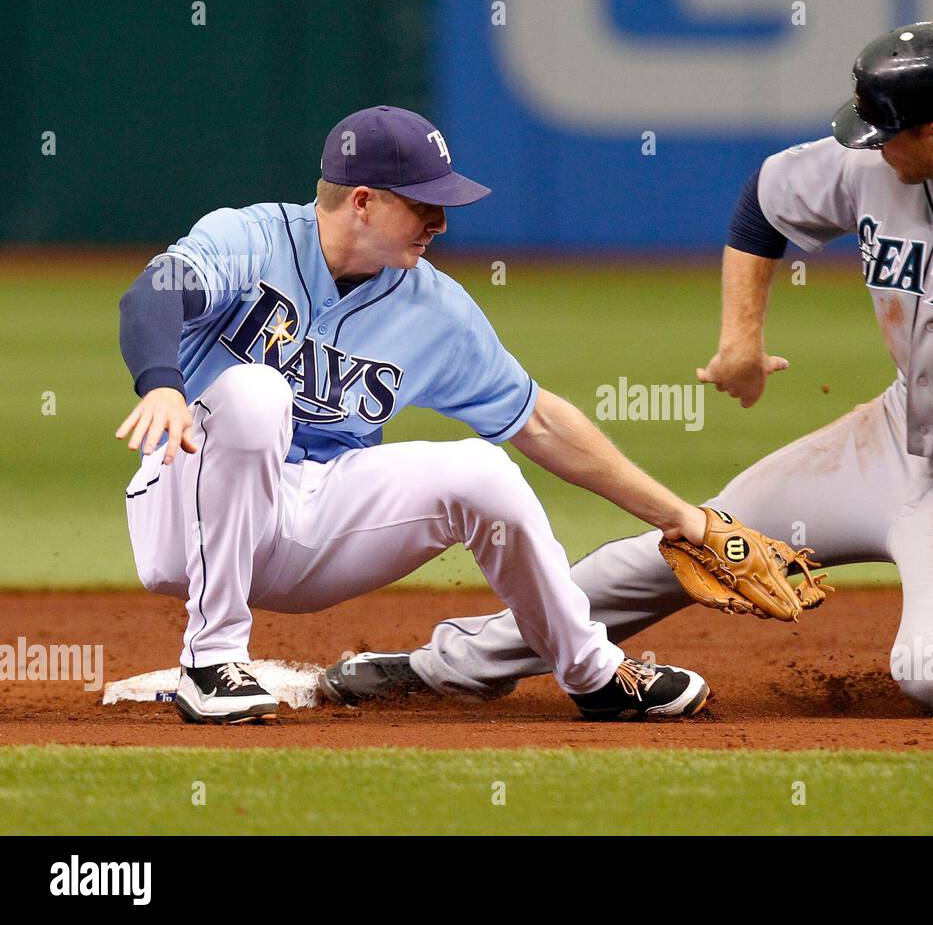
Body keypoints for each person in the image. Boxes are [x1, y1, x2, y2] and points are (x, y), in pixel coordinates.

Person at [323, 23, 933, 715]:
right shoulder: (882, 167)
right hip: (891, 441)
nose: (865, 145)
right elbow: (766, 199)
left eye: (884, 130)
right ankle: (448, 667)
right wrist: (740, 338)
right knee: (691, 547)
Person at [116, 105, 713, 724]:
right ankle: (213, 660)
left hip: (310, 525)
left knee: (484, 469)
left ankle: (594, 674)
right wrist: (162, 385)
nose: (441, 222)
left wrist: (682, 518)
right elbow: (153, 293)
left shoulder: (434, 307)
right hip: (183, 511)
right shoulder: (252, 238)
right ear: (365, 201)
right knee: (256, 393)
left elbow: (537, 422)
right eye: (423, 203)